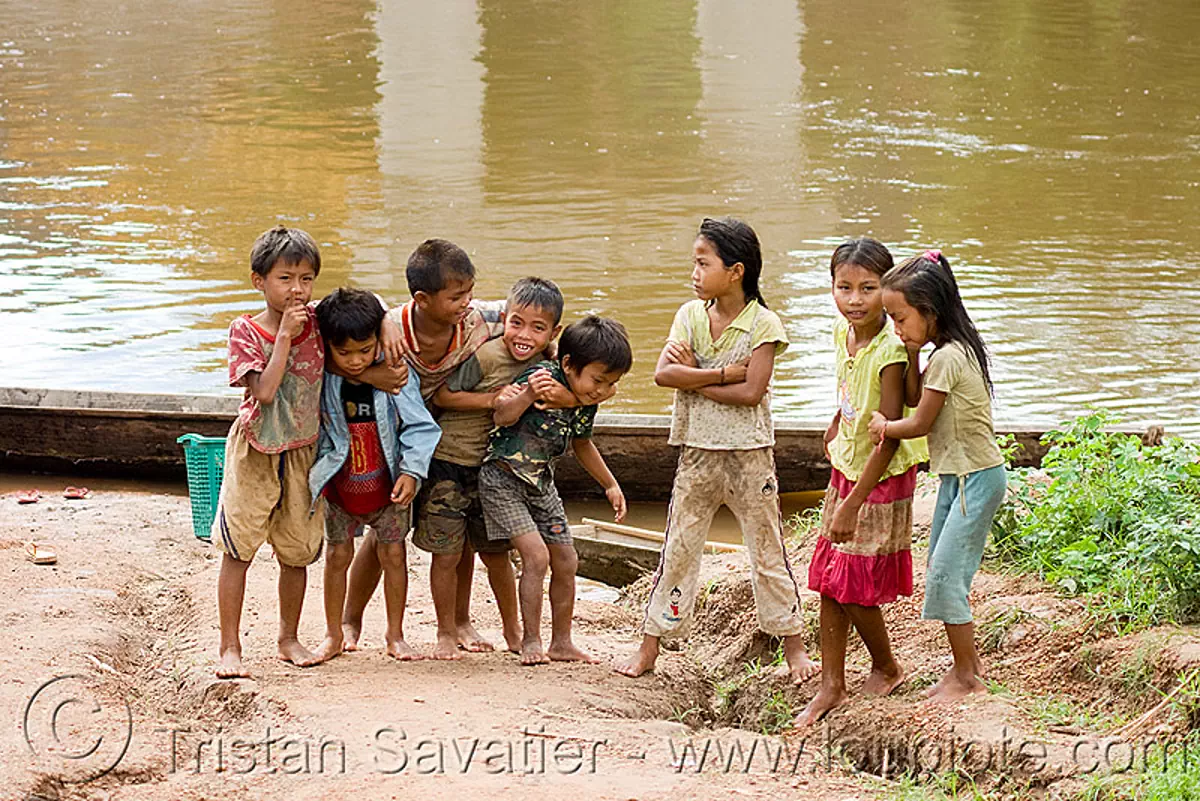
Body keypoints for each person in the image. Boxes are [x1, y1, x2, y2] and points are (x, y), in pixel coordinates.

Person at [340, 239, 576, 652]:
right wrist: (383, 330)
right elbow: (344, 329)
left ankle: (461, 623)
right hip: (398, 437)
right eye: (456, 296)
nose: (466, 302)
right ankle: (350, 620)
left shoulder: (482, 321)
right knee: (384, 531)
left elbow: (532, 327)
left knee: (462, 540)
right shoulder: (392, 328)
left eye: (469, 292)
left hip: (458, 443)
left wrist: (560, 373)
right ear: (422, 300)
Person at [614, 217, 818, 682]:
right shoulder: (690, 315)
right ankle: (651, 645)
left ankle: (794, 648)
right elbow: (665, 376)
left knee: (767, 551)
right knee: (679, 550)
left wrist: (696, 377)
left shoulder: (763, 324)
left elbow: (754, 393)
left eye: (703, 263)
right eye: (694, 262)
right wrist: (723, 374)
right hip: (697, 453)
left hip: (750, 455)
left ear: (736, 270)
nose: (695, 271)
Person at [794, 238, 928, 727]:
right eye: (843, 287)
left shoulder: (891, 350)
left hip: (878, 477)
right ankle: (832, 683)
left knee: (851, 585)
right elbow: (852, 390)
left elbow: (890, 436)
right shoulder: (843, 333)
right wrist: (836, 419)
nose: (854, 299)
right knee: (830, 580)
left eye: (868, 288)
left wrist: (853, 502)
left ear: (887, 289)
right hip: (846, 463)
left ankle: (886, 665)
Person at [867, 249, 1007, 703]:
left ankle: (967, 677)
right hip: (955, 477)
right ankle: (967, 667)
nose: (896, 328)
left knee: (946, 577)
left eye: (901, 318)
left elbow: (918, 422)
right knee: (943, 570)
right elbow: (912, 395)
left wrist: (884, 428)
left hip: (976, 478)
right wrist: (909, 352)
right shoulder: (941, 352)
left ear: (929, 312)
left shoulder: (949, 358)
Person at [413, 277, 565, 658]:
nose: (524, 334)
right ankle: (446, 631)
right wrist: (491, 400)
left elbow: (587, 378)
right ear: (504, 319)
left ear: (552, 331)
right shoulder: (488, 354)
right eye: (516, 323)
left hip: (493, 471)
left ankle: (513, 631)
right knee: (446, 554)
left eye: (537, 327)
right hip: (450, 461)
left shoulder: (546, 362)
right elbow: (444, 395)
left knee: (496, 554)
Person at [481, 315, 631, 665]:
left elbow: (582, 443)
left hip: (541, 484)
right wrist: (529, 393)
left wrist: (610, 483)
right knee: (536, 557)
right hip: (503, 480)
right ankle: (530, 640)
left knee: (566, 559)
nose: (601, 389)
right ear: (567, 363)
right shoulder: (540, 379)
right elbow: (501, 416)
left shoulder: (583, 399)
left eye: (610, 383)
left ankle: (561, 642)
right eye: (598, 380)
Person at [212, 225, 327, 679]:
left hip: (303, 449)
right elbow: (263, 391)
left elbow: (372, 313)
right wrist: (284, 337)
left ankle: (288, 637)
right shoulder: (245, 331)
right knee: (238, 549)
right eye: (285, 278)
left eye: (306, 278)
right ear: (259, 281)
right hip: (255, 450)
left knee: (296, 551)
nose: (297, 289)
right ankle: (229, 646)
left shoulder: (320, 321)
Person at [308, 288, 441, 663]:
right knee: (336, 555)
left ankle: (395, 635)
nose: (355, 361)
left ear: (377, 343)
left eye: (364, 351)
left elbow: (420, 426)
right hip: (339, 481)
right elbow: (313, 310)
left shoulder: (396, 371)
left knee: (394, 556)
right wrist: (384, 315)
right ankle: (334, 633)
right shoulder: (324, 373)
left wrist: (413, 472)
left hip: (389, 480)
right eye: (344, 353)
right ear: (328, 346)